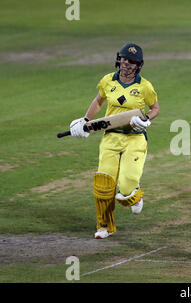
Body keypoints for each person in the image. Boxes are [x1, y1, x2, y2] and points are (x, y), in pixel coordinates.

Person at [69, 43, 160, 239]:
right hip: (110, 136)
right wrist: (85, 120)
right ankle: (104, 226)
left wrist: (145, 120)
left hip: (134, 138)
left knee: (126, 186)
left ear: (138, 65)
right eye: (125, 60)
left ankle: (134, 197)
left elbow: (155, 109)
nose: (127, 64)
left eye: (132, 62)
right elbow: (99, 101)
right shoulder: (107, 81)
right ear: (119, 59)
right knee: (104, 183)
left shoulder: (145, 86)